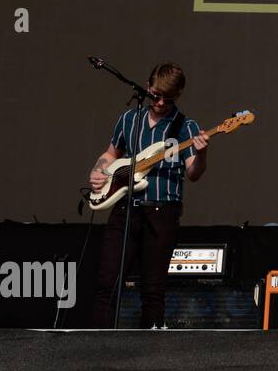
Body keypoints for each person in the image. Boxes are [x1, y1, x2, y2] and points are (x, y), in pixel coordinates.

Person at [87, 63, 210, 328]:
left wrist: (201, 153)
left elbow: (194, 173)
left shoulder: (185, 127)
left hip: (162, 211)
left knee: (152, 289)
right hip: (125, 207)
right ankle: (95, 347)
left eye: (169, 97)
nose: (161, 102)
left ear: (178, 95)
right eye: (156, 95)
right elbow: (111, 154)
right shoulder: (129, 120)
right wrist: (98, 170)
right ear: (147, 87)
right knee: (107, 282)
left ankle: (147, 357)